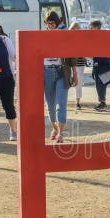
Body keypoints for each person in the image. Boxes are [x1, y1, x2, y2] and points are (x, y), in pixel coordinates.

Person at [43, 11, 78, 143]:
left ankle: (61, 133)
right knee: (50, 105)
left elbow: (71, 55)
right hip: (46, 71)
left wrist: (75, 73)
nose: (51, 26)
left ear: (57, 23)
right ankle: (55, 129)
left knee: (61, 103)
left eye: (53, 23)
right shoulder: (41, 36)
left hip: (62, 71)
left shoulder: (64, 36)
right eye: (48, 23)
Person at [89, 20, 110, 111]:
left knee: (101, 84)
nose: (89, 29)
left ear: (96, 27)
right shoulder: (94, 37)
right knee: (99, 84)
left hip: (104, 64)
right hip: (98, 64)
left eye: (91, 28)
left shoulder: (103, 37)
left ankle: (102, 103)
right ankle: (102, 103)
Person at [68, 21, 86, 109]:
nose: (75, 30)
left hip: (80, 64)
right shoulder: (68, 39)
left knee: (78, 84)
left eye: (77, 28)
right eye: (73, 28)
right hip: (69, 64)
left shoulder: (83, 39)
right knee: (67, 82)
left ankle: (78, 102)